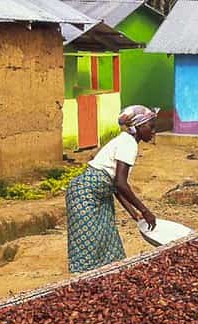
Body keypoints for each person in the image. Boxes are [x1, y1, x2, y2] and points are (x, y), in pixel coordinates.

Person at [65, 105, 159, 273]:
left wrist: (134, 215)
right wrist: (145, 211)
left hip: (101, 196)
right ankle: (84, 284)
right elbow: (121, 184)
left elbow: (116, 186)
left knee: (108, 241)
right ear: (138, 126)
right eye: (150, 126)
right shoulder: (128, 144)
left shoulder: (125, 141)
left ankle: (104, 282)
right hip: (84, 195)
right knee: (89, 245)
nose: (153, 131)